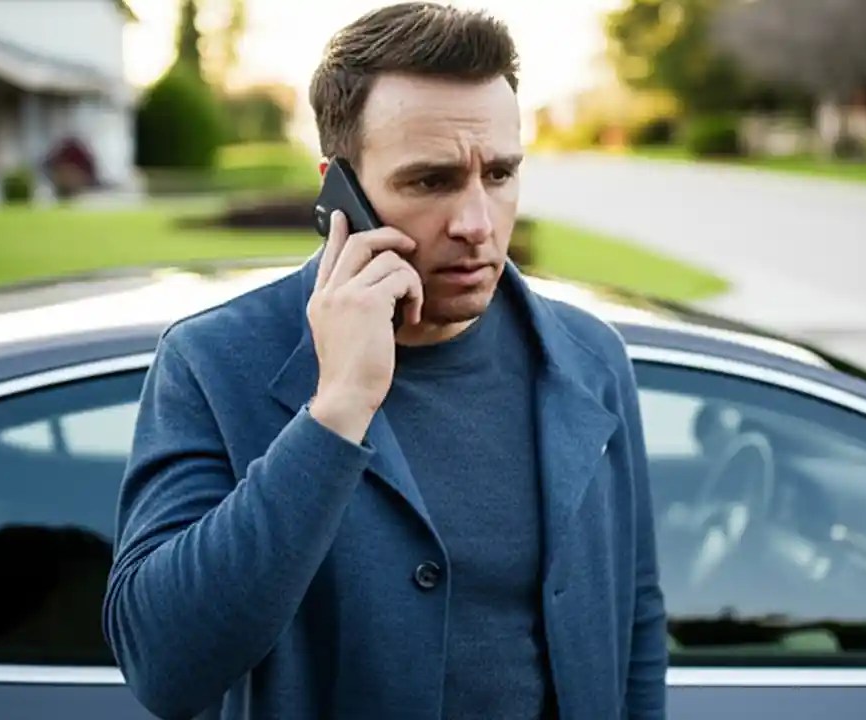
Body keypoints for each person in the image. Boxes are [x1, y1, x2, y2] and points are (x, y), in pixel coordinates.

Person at [102, 3, 668, 718]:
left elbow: (636, 620)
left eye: (498, 175)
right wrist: (336, 409)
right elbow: (164, 666)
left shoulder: (590, 361)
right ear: (339, 191)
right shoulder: (210, 364)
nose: (475, 223)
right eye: (430, 181)